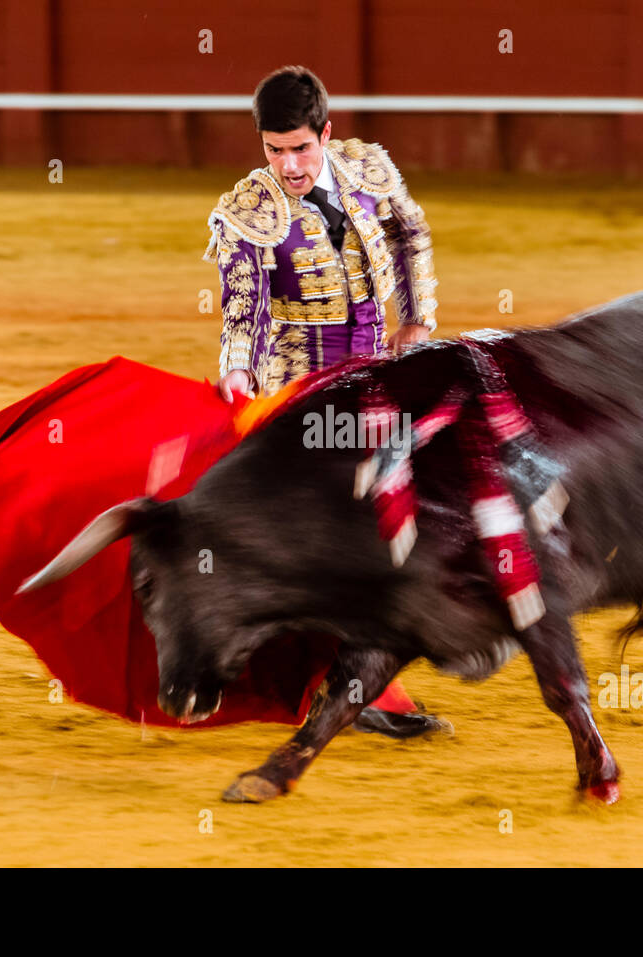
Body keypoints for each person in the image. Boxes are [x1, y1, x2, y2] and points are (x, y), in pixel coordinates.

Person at [204, 65, 448, 738]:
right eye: (274, 149)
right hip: (301, 384)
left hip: (378, 371)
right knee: (344, 529)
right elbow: (244, 311)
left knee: (408, 509)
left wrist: (418, 317)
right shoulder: (246, 213)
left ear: (327, 135)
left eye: (301, 148)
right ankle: (353, 686)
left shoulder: (368, 170)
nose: (289, 165)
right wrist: (238, 371)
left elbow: (411, 232)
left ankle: (363, 672)